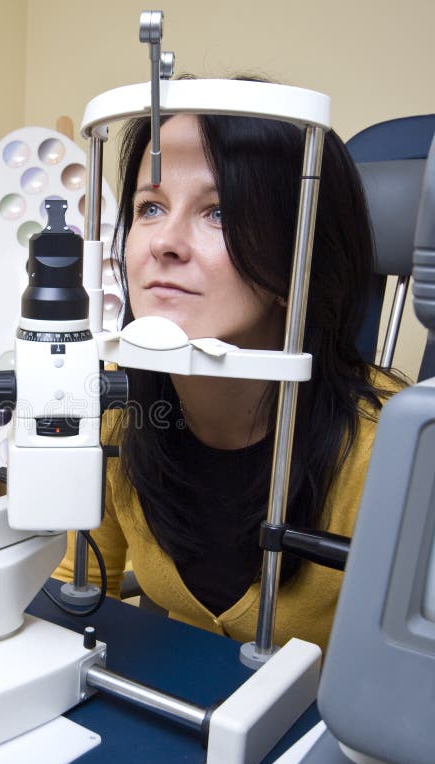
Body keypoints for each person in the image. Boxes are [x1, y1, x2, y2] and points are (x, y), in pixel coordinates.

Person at [54, 99, 405, 651]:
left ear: (299, 260)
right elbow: (77, 587)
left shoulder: (393, 449)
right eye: (150, 207)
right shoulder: (119, 407)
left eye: (219, 213)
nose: (164, 242)